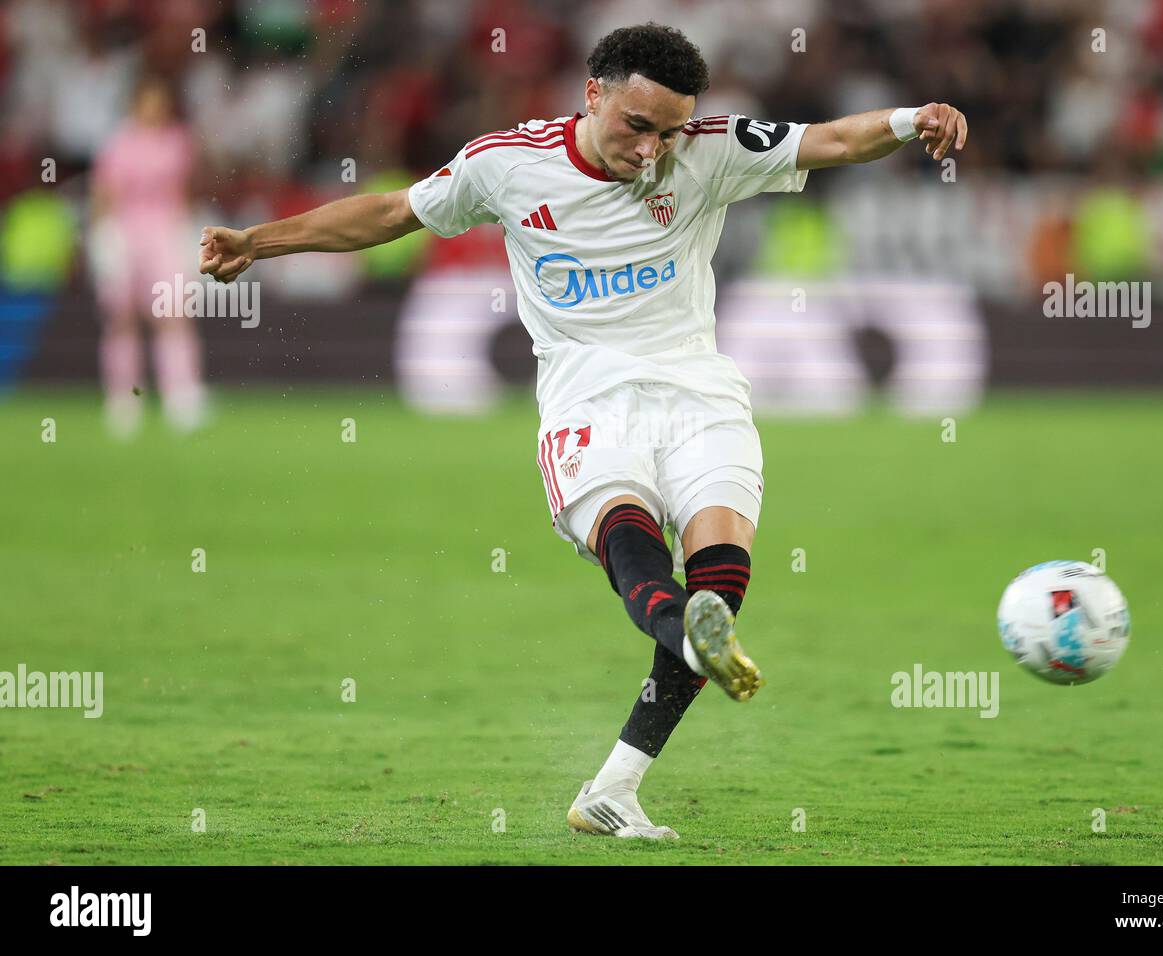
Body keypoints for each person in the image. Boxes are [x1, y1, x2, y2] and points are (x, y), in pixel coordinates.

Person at [198, 23, 967, 839]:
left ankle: (616, 786)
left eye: (670, 130)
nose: (654, 149)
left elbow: (832, 141)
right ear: (593, 94)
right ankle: (684, 637)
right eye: (639, 126)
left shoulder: (709, 148)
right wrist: (258, 241)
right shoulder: (507, 162)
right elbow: (391, 213)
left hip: (700, 392)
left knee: (721, 581)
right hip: (588, 403)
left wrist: (911, 117)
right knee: (640, 556)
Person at [92, 74, 206, 436]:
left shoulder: (177, 142)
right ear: (135, 104)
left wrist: (190, 232)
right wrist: (103, 237)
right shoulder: (118, 144)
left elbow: (187, 190)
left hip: (167, 234)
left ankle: (182, 394)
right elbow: (105, 194)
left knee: (173, 315)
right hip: (125, 233)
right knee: (122, 317)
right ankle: (123, 398)